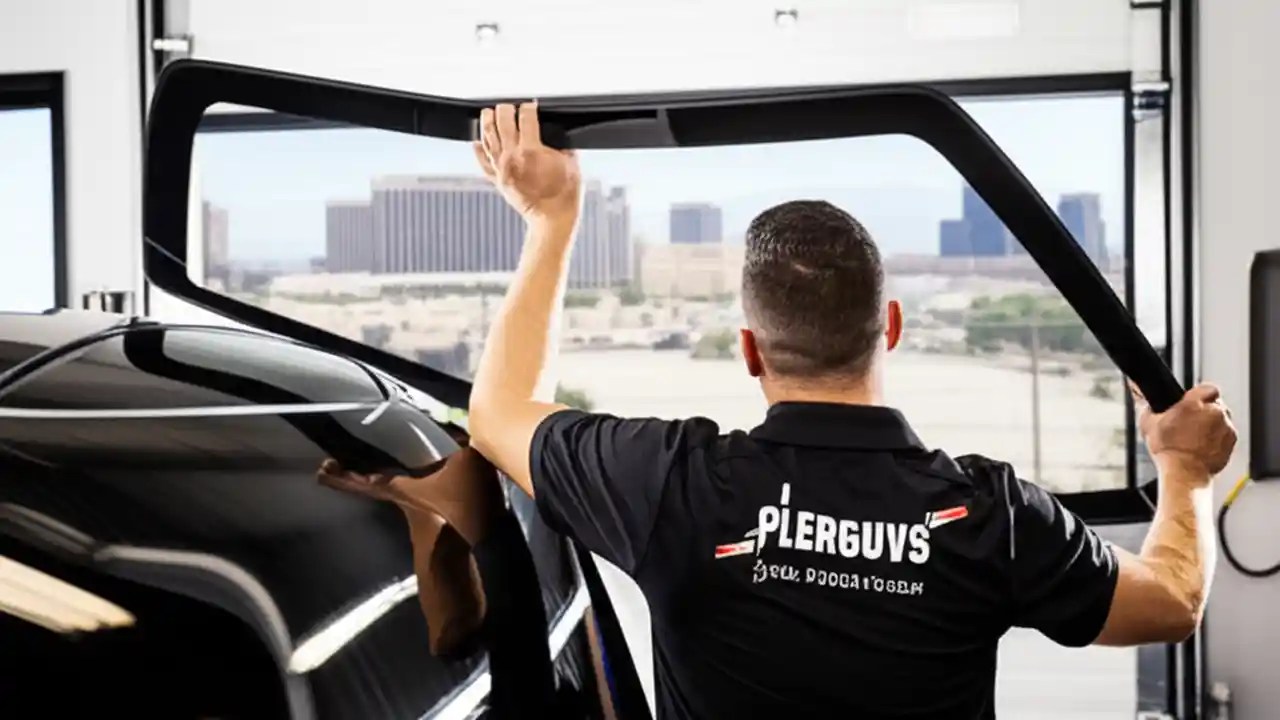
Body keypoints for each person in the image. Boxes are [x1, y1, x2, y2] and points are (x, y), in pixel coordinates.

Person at [323, 103, 1237, 719]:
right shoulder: (990, 516)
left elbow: (495, 414)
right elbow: (1170, 604)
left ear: (750, 349)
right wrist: (1185, 468)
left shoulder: (673, 485)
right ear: (890, 327)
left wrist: (552, 217)